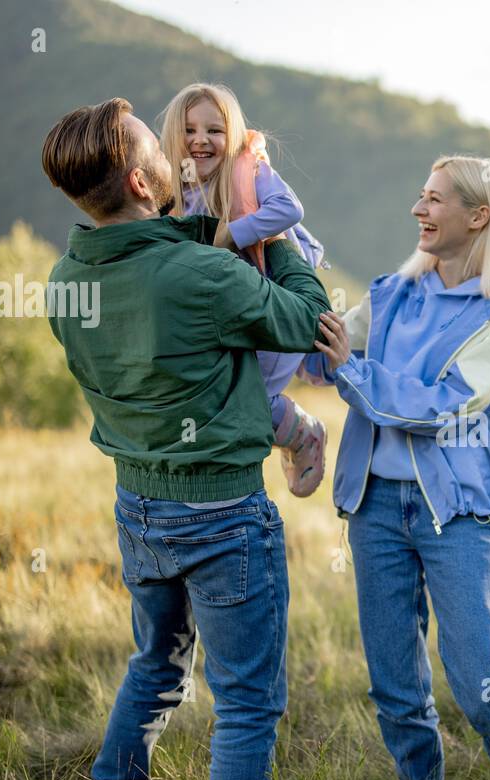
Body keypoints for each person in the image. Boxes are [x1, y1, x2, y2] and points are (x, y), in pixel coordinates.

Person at [39, 97, 350, 780]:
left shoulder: (64, 280)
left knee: (153, 667)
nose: (173, 155)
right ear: (144, 184)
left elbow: (160, 270)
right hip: (222, 514)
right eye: (156, 149)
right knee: (247, 699)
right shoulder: (204, 273)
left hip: (139, 509)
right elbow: (301, 318)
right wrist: (268, 230)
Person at [305, 155, 490, 780]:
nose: (419, 209)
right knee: (394, 685)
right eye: (420, 196)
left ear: (479, 216)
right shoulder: (392, 295)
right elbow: (321, 350)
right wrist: (281, 270)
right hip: (375, 509)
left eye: (435, 199)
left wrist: (349, 371)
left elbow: (440, 405)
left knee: (482, 685)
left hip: (459, 515)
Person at [160, 81, 329, 497]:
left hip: (275, 296)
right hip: (229, 311)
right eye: (189, 129)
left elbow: (290, 209)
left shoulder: (248, 170)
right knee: (225, 390)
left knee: (254, 396)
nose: (201, 140)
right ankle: (311, 368)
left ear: (232, 135)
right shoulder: (173, 190)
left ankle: (304, 433)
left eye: (214, 130)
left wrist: (232, 234)